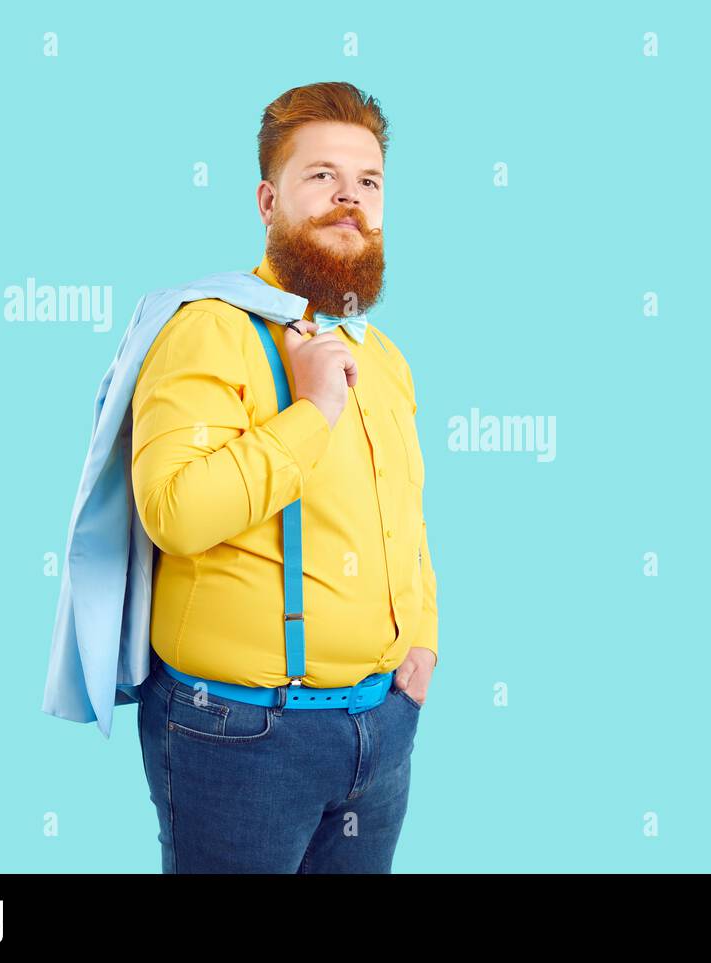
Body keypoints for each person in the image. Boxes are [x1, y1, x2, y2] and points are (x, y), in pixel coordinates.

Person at [131, 81, 438, 873]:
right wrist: (309, 412)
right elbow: (175, 510)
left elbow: (406, 514)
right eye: (322, 177)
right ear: (268, 200)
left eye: (368, 182)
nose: (351, 199)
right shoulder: (207, 330)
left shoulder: (386, 356)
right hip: (240, 737)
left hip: (382, 731)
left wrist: (423, 638)